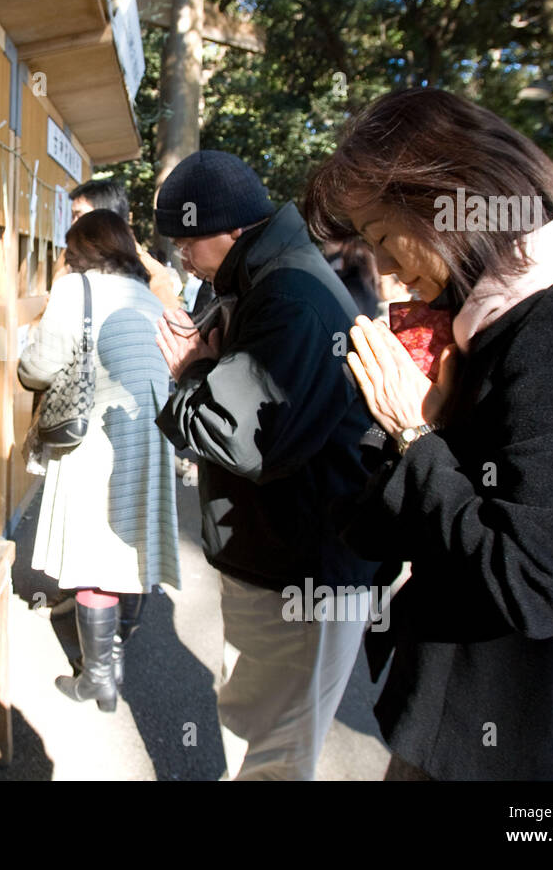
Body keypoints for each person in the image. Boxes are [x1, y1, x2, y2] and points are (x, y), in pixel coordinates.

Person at [304, 87, 553, 780]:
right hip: (448, 719)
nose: (385, 272)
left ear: (452, 201)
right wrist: (410, 433)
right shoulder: (477, 320)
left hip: (550, 737)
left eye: (386, 239)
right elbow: (366, 531)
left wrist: (418, 435)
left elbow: (534, 585)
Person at [152, 150, 379, 779]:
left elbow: (238, 437)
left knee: (275, 759)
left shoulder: (289, 297)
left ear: (229, 231)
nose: (180, 256)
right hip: (275, 557)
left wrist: (191, 369)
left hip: (300, 567)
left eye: (185, 241)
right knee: (258, 742)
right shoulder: (266, 280)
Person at [18, 209, 180, 711]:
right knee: (128, 551)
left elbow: (38, 368)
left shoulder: (75, 290)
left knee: (93, 560)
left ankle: (98, 678)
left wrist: (24, 360)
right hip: (150, 439)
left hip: (95, 444)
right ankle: (110, 665)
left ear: (82, 251)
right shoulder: (147, 294)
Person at [70, 178, 180, 311]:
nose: (73, 224)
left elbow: (167, 323)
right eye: (72, 216)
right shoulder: (70, 259)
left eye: (79, 216)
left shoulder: (152, 273)